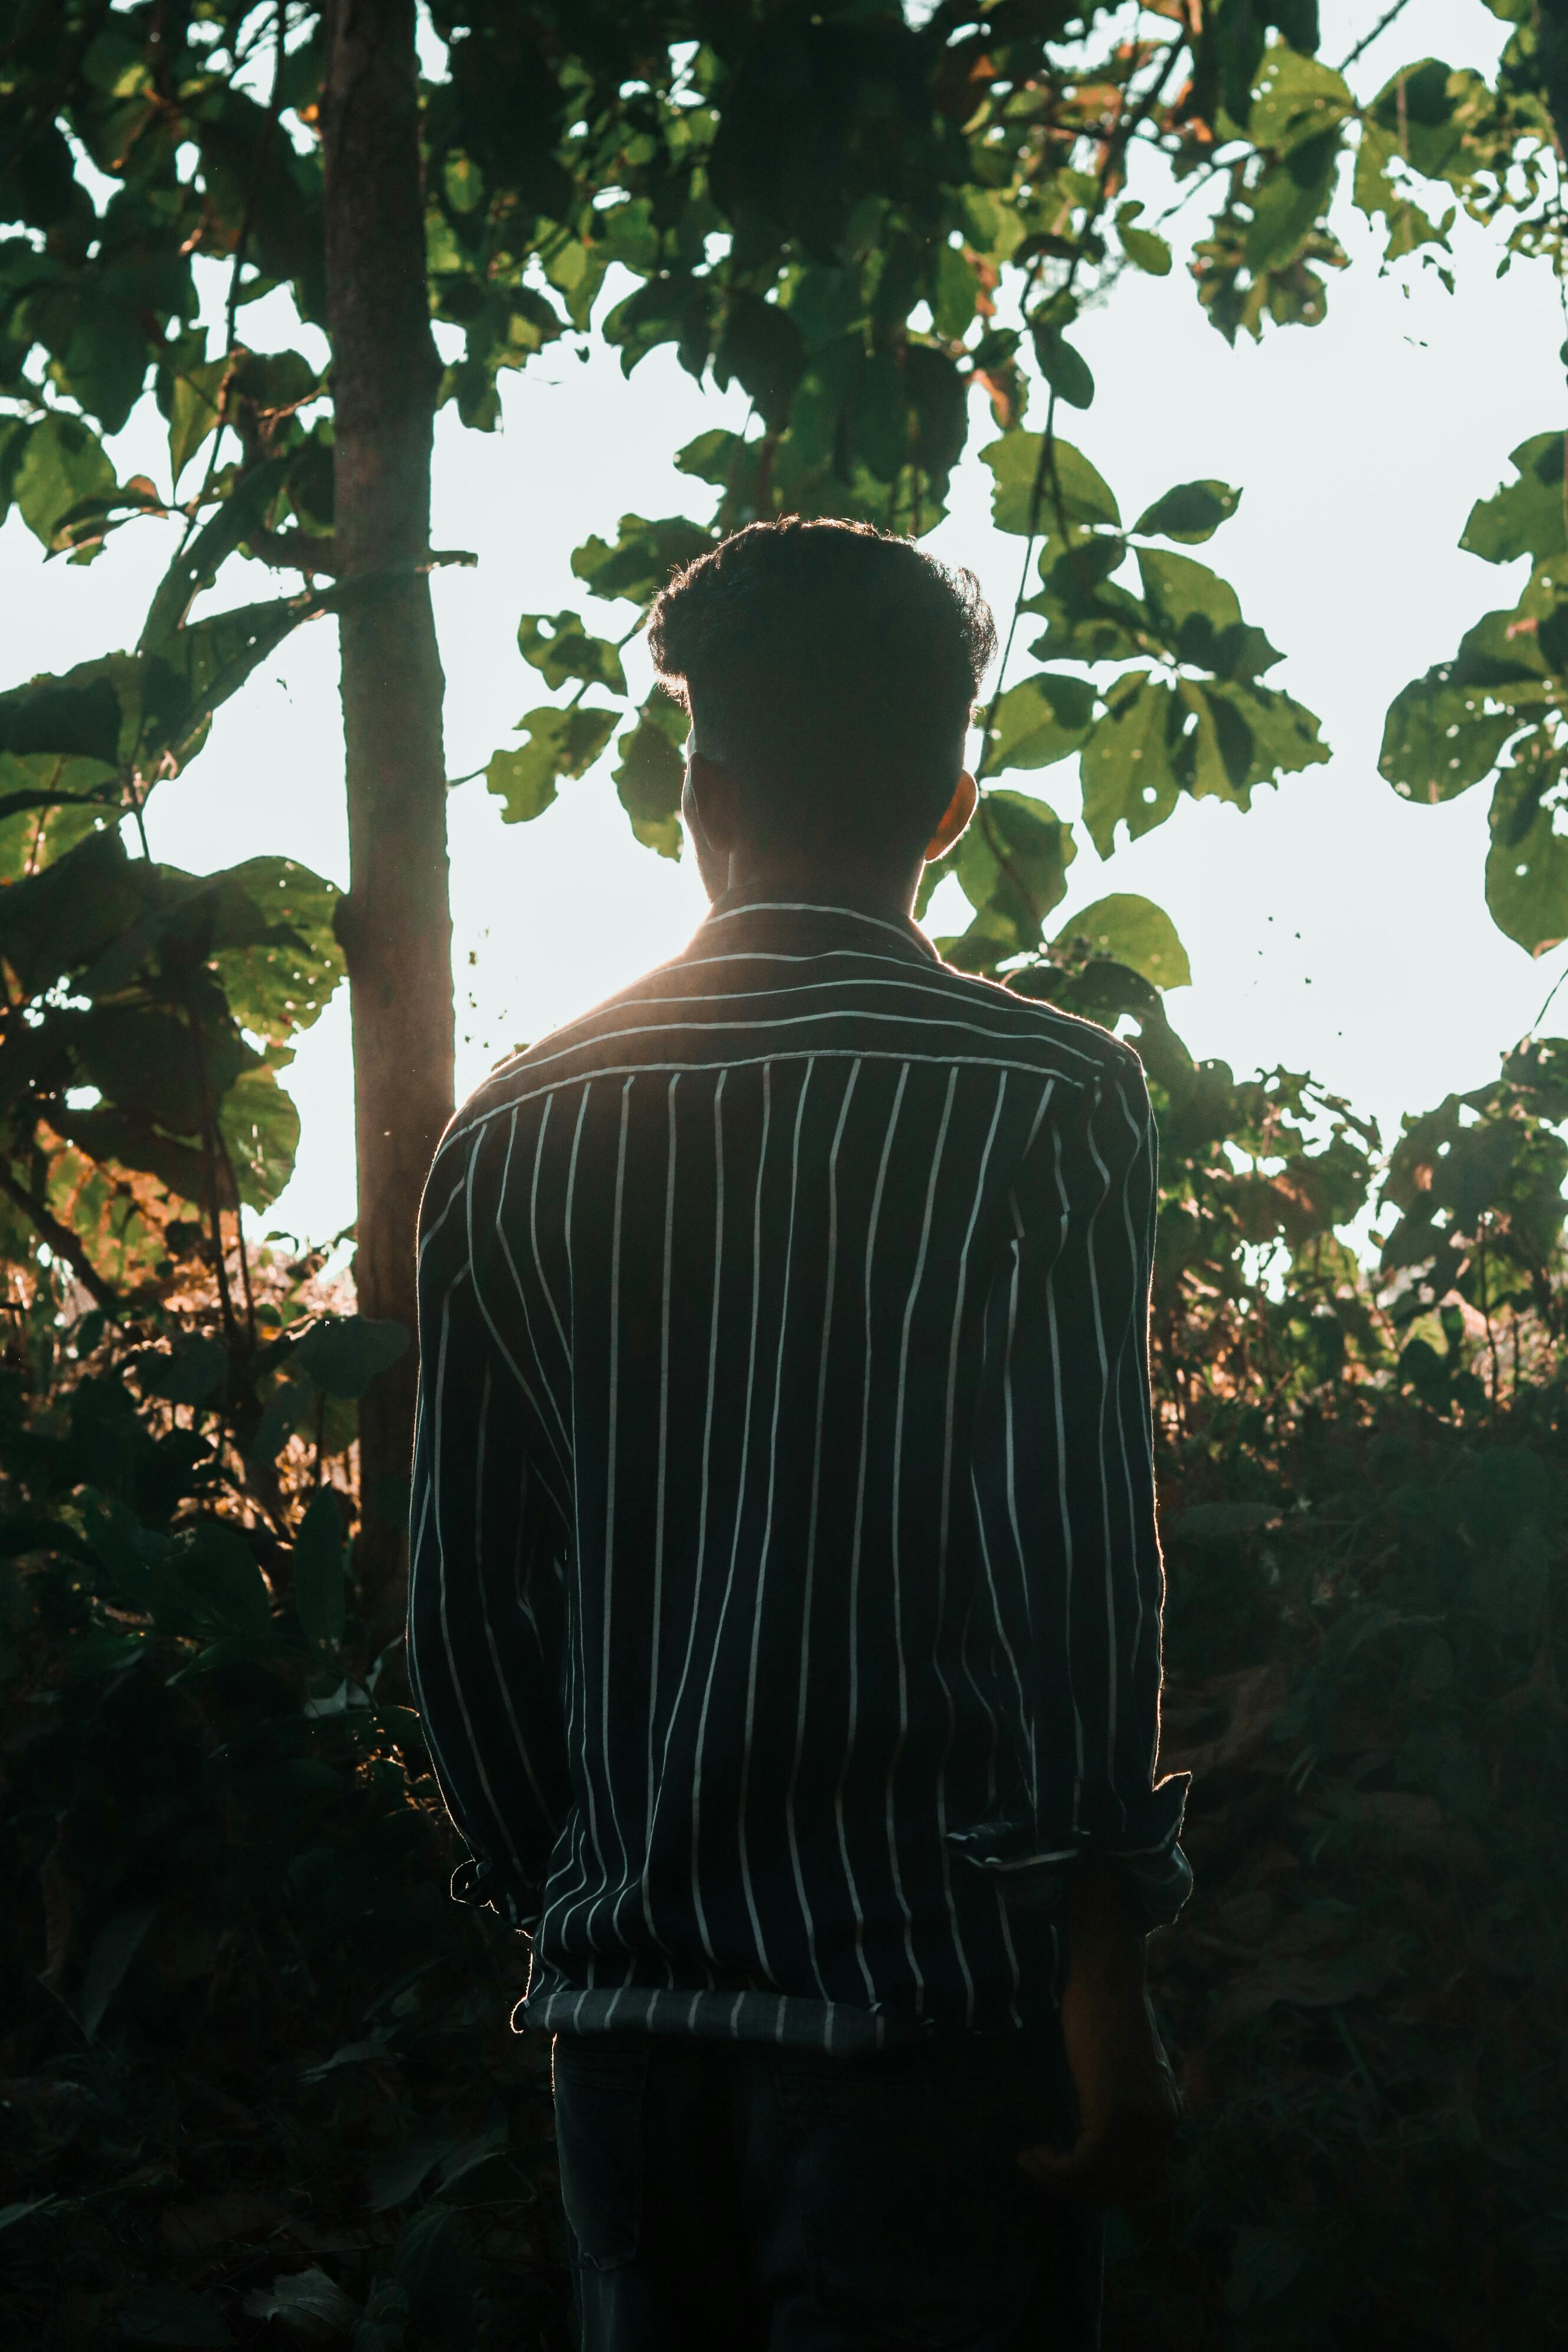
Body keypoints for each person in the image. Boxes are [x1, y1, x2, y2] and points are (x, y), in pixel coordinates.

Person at [408, 517, 1191, 2350]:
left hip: (622, 2040)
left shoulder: (513, 1133)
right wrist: (1101, 1970)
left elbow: (471, 1615)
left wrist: (587, 1900)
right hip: (925, 2028)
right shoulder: (1045, 1098)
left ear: (700, 786)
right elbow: (1067, 1568)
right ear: (949, 801)